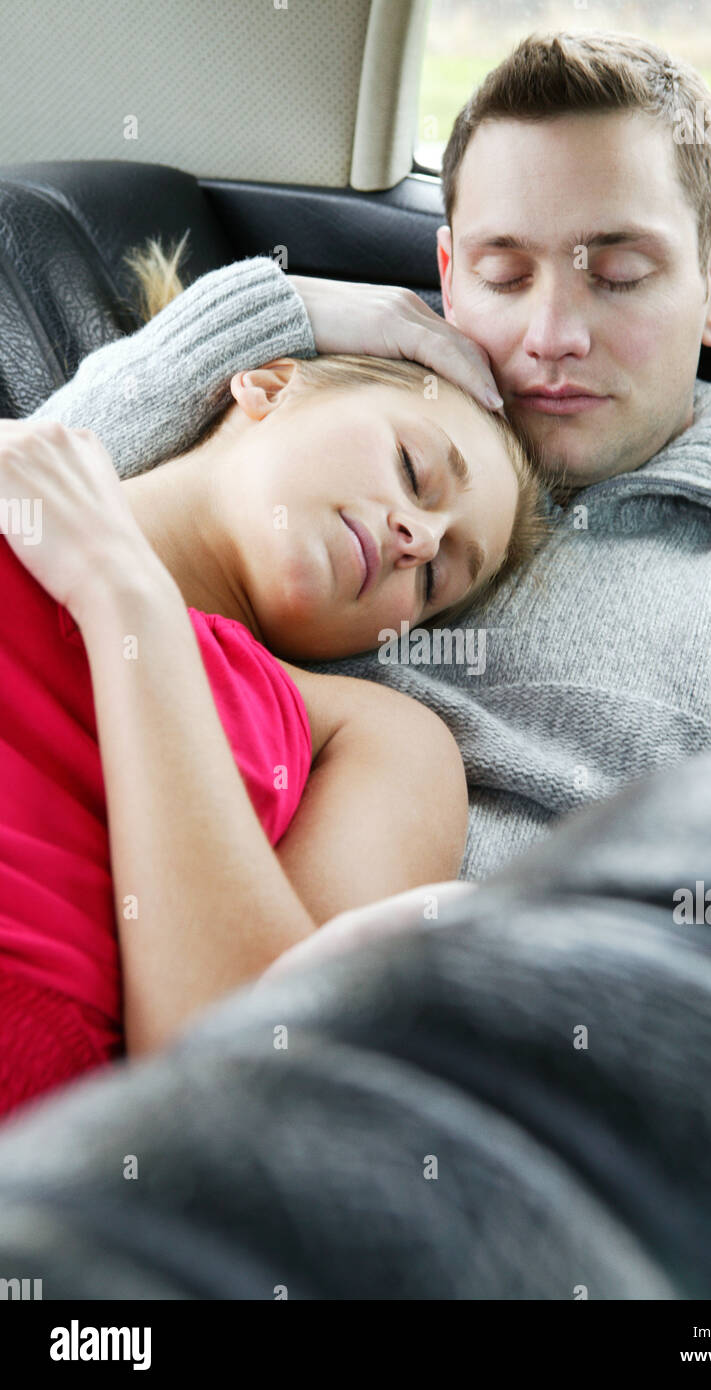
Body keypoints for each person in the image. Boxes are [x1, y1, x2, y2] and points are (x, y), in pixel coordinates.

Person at [35, 32, 711, 882]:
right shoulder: (353, 427)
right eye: (503, 276)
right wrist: (281, 305)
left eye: (617, 275)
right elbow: (34, 515)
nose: (552, 338)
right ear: (449, 275)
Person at [0, 277, 543, 1119]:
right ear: (269, 384)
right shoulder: (22, 473)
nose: (418, 538)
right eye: (413, 468)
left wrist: (128, 598)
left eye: (439, 576)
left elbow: (255, 1092)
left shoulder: (370, 735)